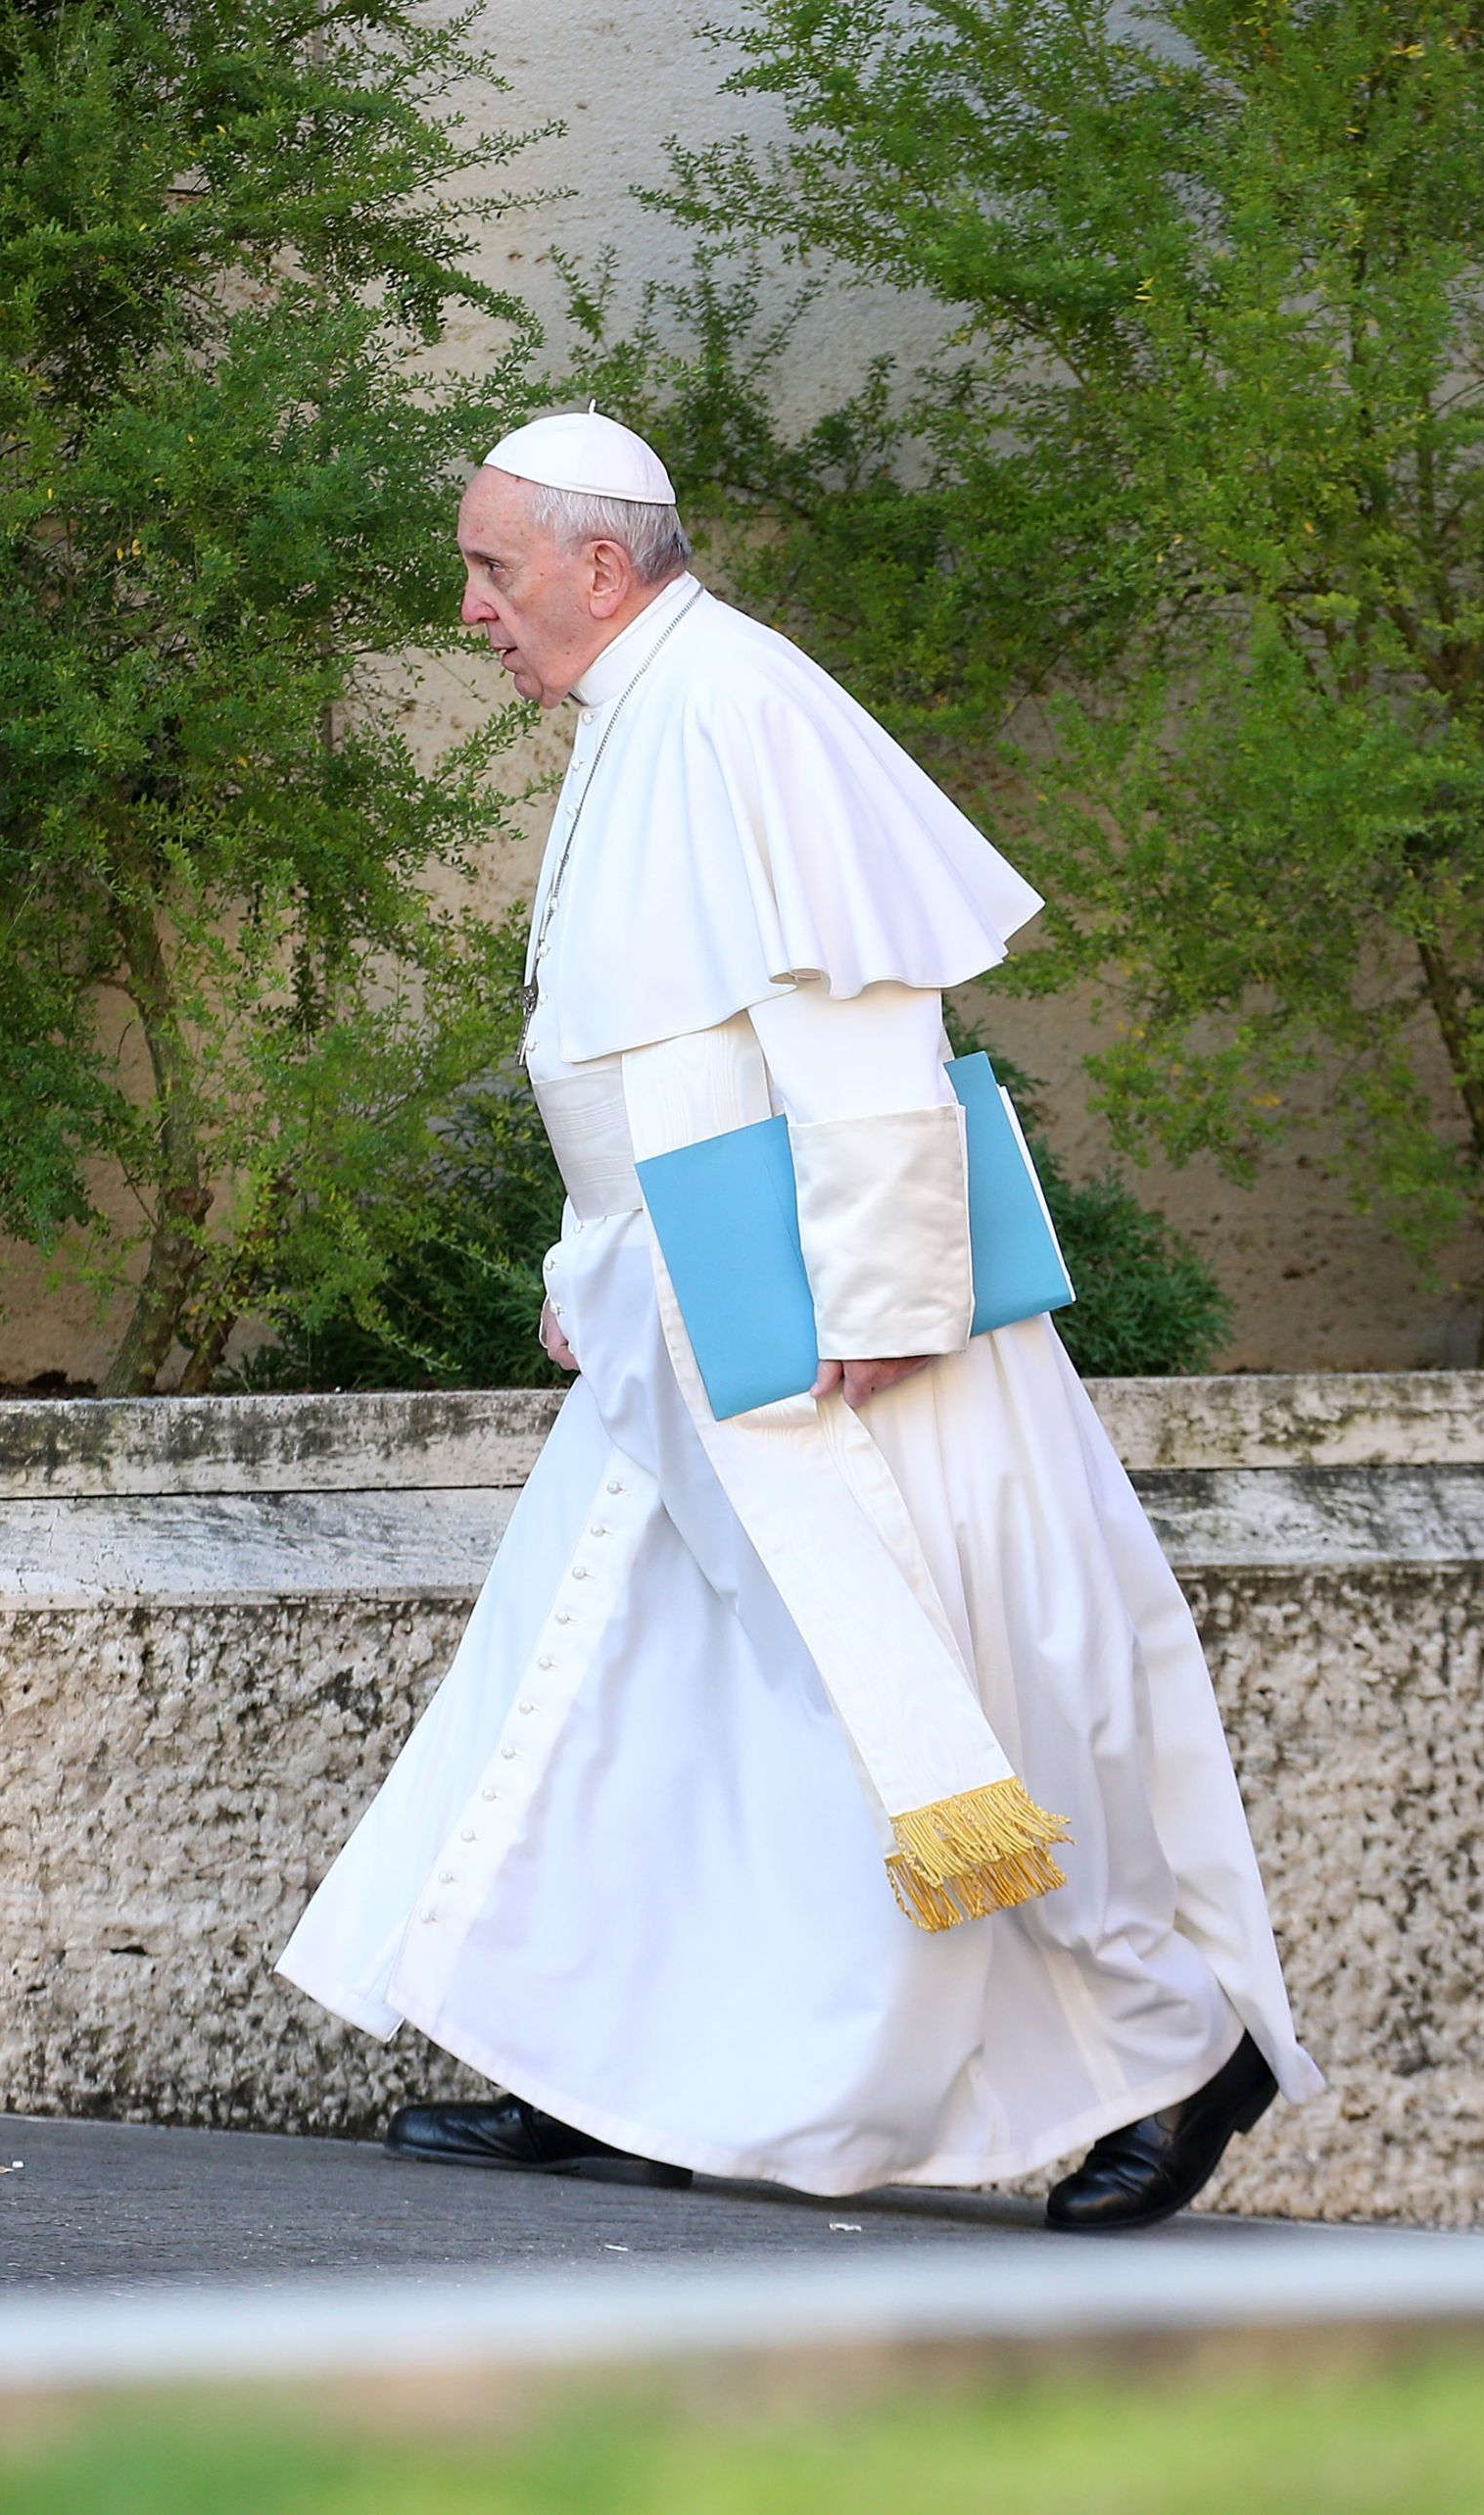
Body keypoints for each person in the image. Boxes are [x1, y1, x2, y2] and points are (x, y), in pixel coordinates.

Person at [275, 411, 1317, 2232]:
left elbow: (859, 1022)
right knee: (613, 1676)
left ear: (601, 567)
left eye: (490, 570)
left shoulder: (740, 703)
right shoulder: (648, 701)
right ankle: (599, 2067)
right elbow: (643, 1047)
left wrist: (889, 1295)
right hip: (676, 1292)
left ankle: (1184, 2049)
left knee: (942, 1691)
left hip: (822, 1331)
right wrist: (582, 1267)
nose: (469, 608)